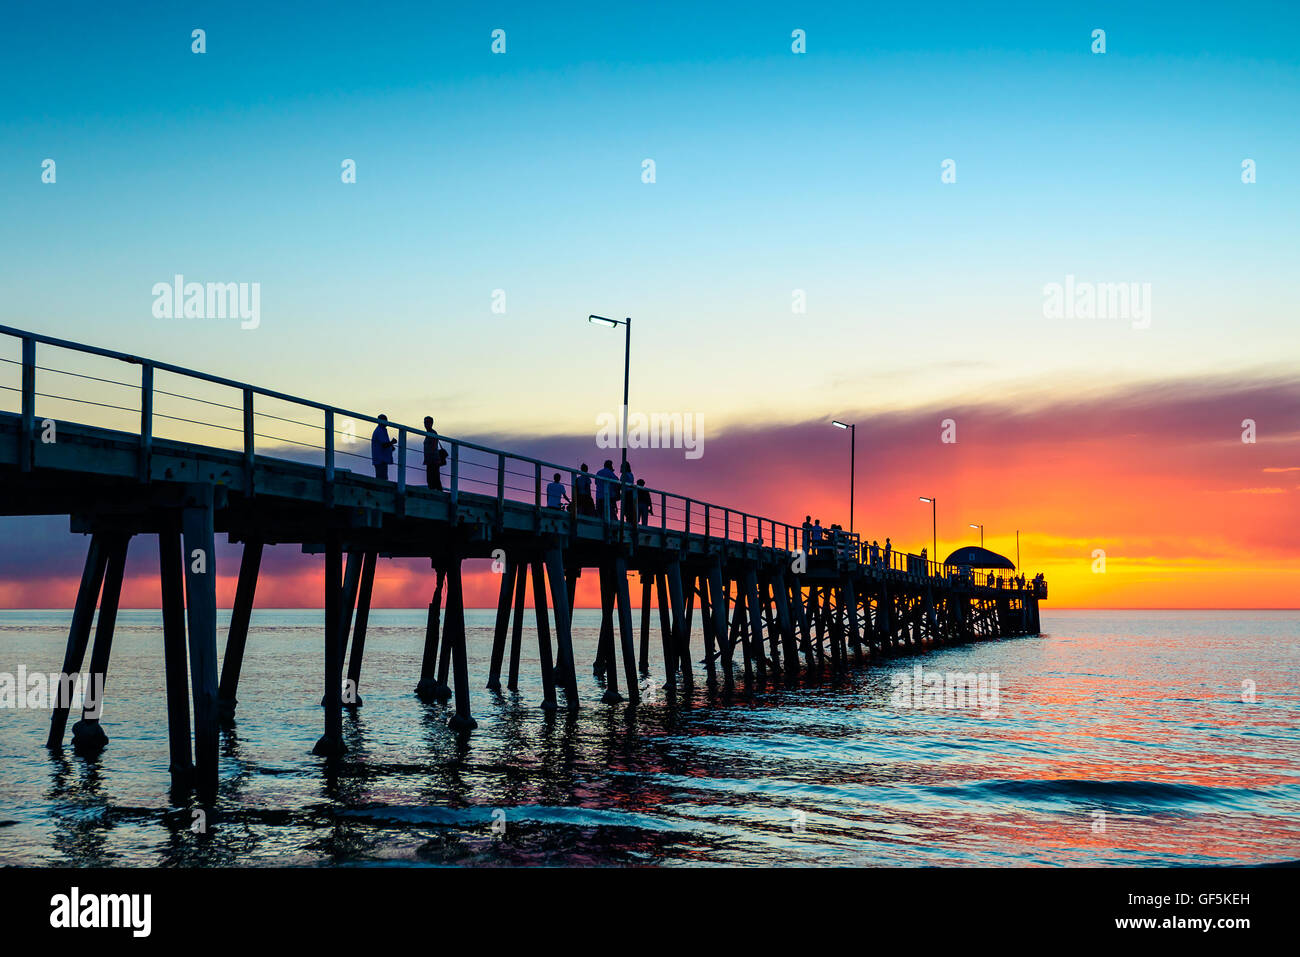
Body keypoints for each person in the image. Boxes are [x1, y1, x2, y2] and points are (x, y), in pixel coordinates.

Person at [371, 414, 396, 480]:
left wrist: (391, 446)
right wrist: (392, 442)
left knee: (382, 478)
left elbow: (383, 444)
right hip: (381, 460)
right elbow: (384, 445)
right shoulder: (379, 430)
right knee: (382, 479)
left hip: (381, 460)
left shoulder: (381, 430)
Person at [422, 416, 444, 490]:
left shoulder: (432, 433)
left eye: (428, 422)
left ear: (432, 423)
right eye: (425, 422)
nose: (426, 424)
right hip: (429, 460)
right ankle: (436, 492)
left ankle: (437, 493)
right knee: (432, 479)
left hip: (433, 460)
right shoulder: (428, 433)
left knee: (434, 479)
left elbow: (433, 446)